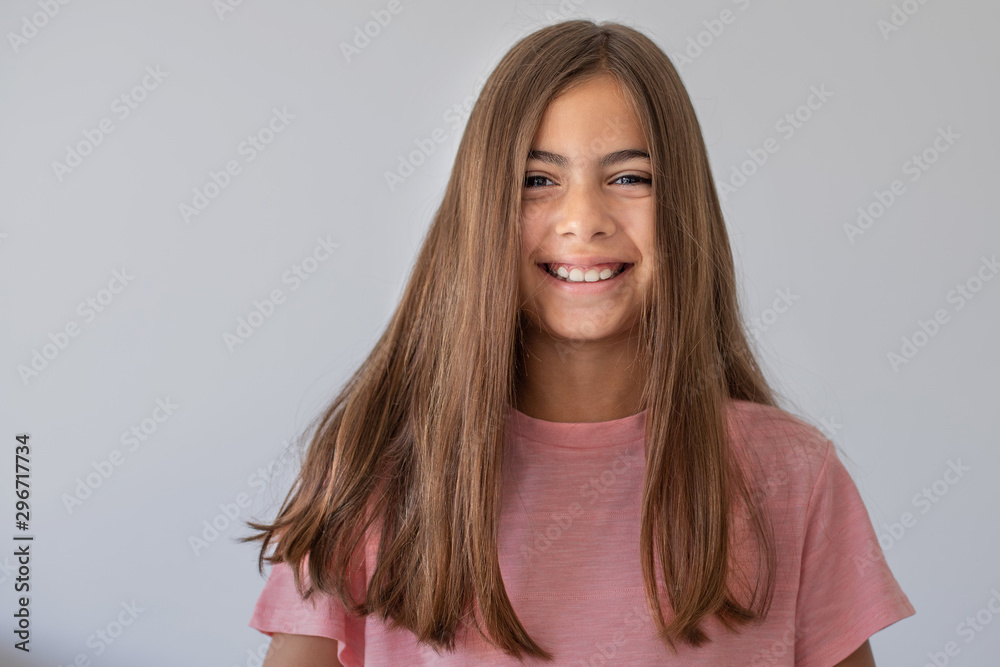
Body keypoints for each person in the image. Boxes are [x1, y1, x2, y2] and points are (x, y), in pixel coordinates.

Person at [241, 19, 915, 666]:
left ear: (684, 205)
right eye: (538, 180)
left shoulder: (795, 477)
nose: (583, 220)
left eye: (630, 178)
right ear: (482, 210)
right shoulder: (371, 471)